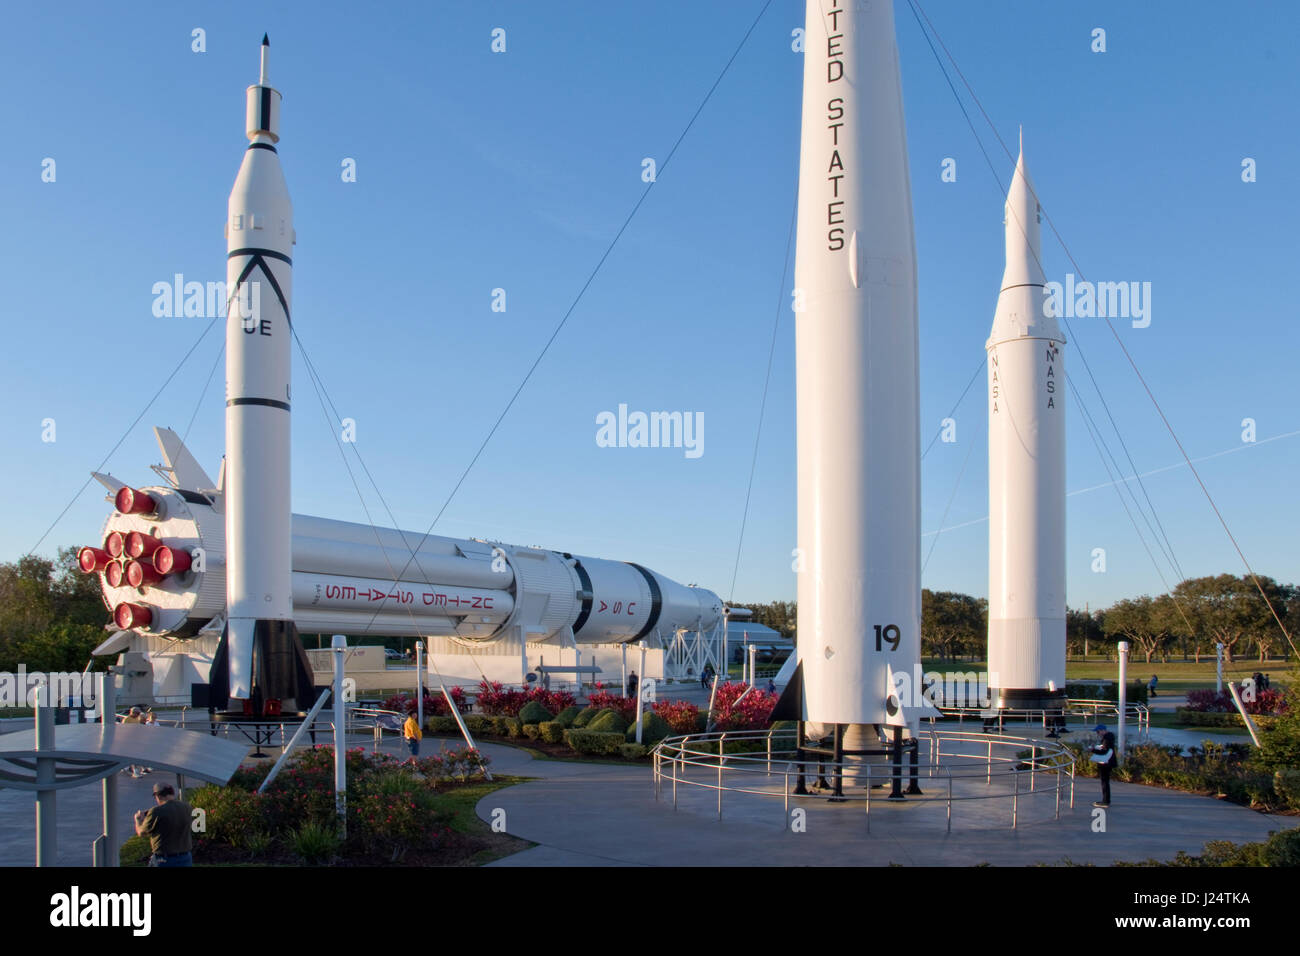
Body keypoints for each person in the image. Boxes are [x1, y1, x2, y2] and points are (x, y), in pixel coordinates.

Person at [135, 782, 194, 867]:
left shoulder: (156, 811)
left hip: (164, 859)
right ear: (172, 793)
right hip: (185, 857)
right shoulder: (187, 807)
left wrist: (138, 820)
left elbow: (141, 832)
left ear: (158, 796)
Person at [1090, 723, 1117, 807]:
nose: (1097, 733)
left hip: (1106, 763)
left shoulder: (1107, 739)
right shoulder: (1109, 737)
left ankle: (1105, 801)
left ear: (1103, 731)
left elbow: (1104, 751)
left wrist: (1093, 750)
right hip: (1109, 762)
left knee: (1104, 782)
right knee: (1105, 781)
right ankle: (1106, 800)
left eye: (1098, 732)